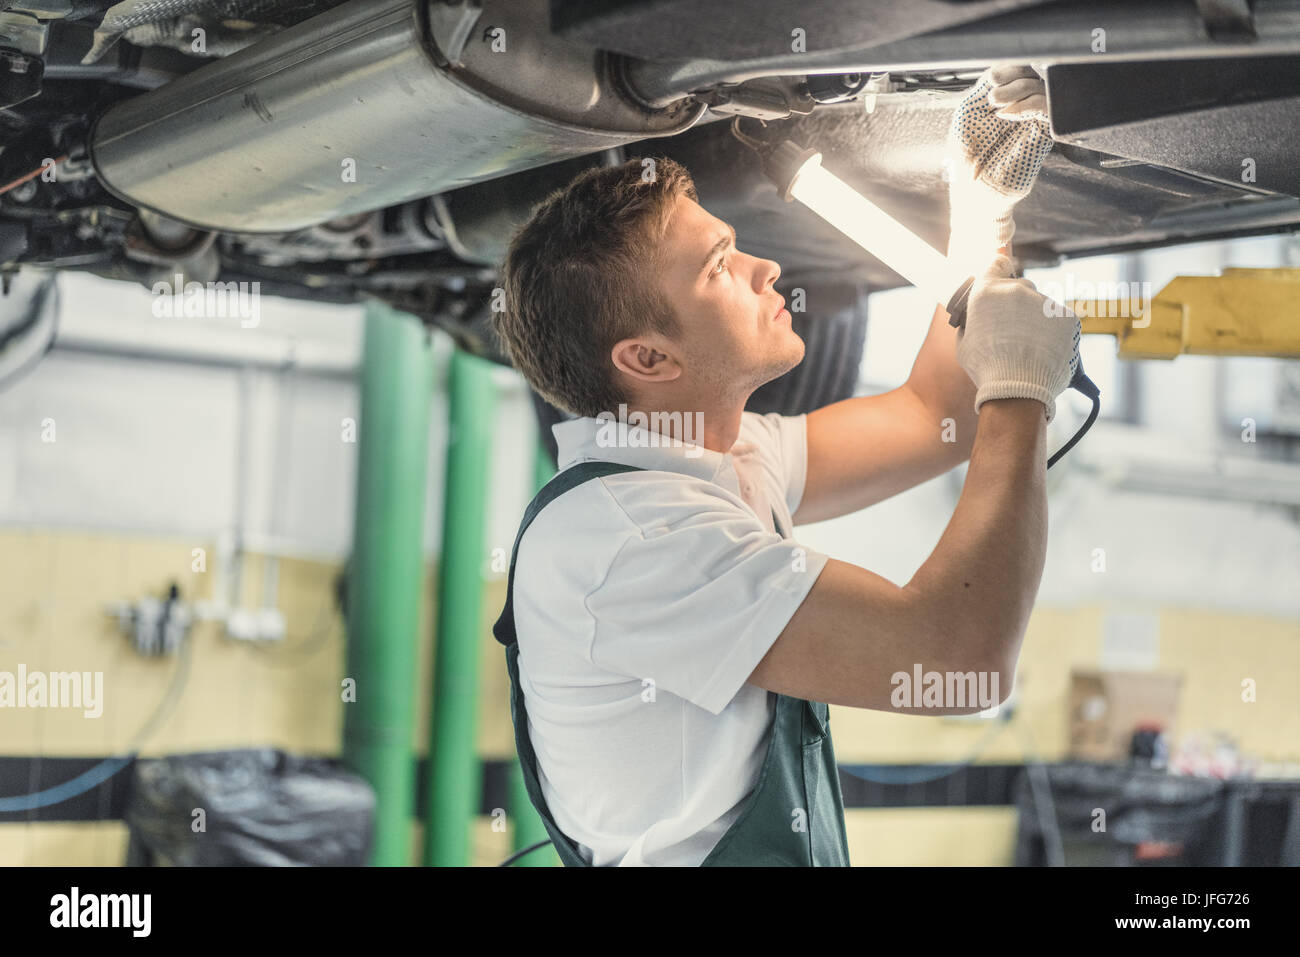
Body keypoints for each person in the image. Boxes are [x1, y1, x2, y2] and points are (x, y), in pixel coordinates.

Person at [490, 66, 1080, 866]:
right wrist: (1016, 391)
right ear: (648, 356)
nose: (765, 268)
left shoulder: (718, 458)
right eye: (719, 265)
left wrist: (980, 215)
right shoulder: (633, 541)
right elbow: (958, 658)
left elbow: (929, 417)